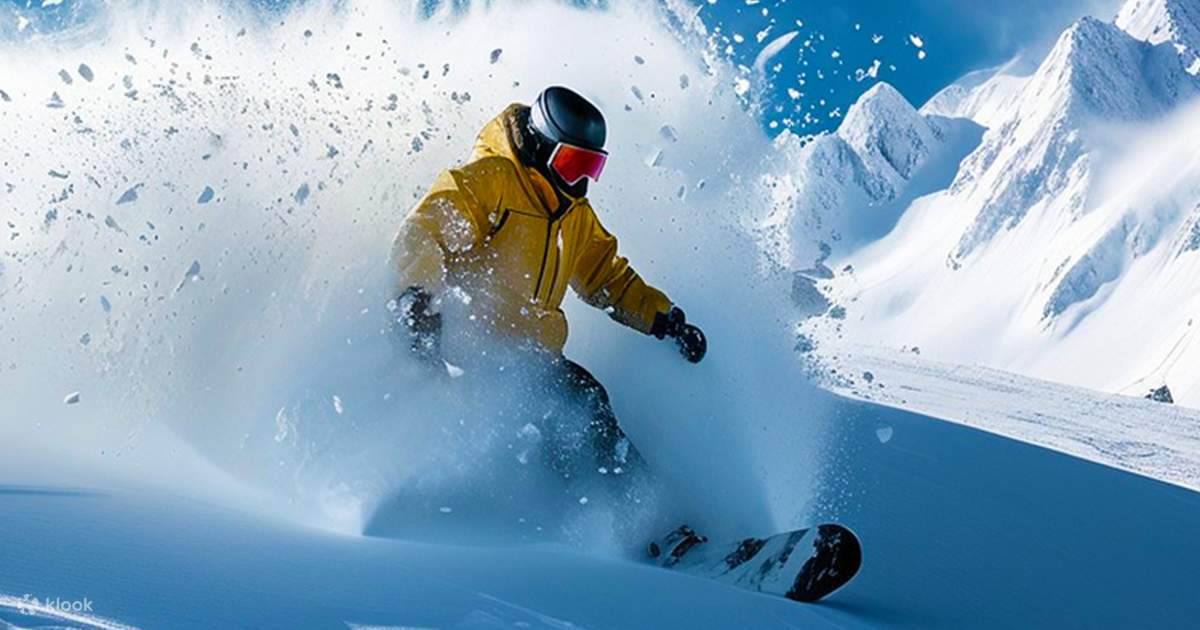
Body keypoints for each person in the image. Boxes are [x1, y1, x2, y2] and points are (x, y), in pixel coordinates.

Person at [390, 85, 706, 478]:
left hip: (533, 362)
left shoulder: (575, 214)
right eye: (573, 164)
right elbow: (424, 231)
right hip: (470, 354)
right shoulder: (494, 181)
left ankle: (630, 520)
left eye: (591, 168)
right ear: (542, 146)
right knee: (578, 408)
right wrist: (416, 297)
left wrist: (665, 318)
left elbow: (607, 276)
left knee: (585, 402)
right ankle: (634, 523)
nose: (580, 182)